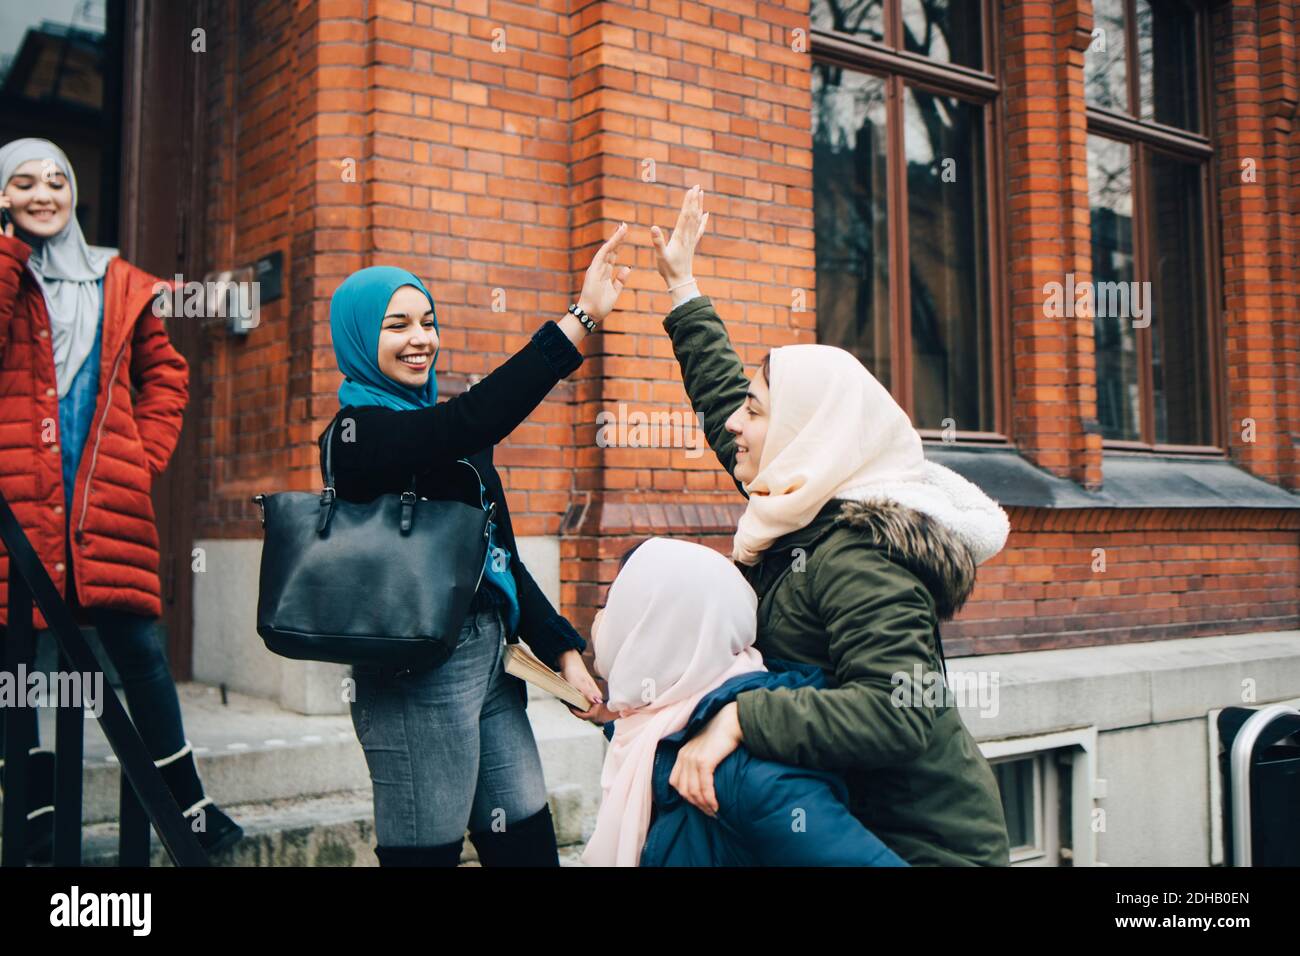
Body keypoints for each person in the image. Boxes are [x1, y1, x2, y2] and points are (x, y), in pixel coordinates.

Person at [643, 185, 1013, 866]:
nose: (735, 425)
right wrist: (682, 288)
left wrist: (741, 719)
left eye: (756, 414)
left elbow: (896, 710)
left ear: (800, 433)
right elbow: (725, 395)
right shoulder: (798, 497)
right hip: (847, 827)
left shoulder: (861, 555)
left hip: (920, 848)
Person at [322, 229, 628, 867]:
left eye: (428, 322)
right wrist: (580, 320)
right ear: (358, 337)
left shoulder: (446, 436)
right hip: (415, 679)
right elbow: (472, 418)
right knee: (423, 859)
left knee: (527, 851)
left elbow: (501, 558)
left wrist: (563, 651)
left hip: (494, 665)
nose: (421, 339)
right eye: (397, 325)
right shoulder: (357, 435)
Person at [0, 138, 242, 861]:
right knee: (16, 659)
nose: (44, 194)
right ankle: (34, 812)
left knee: (140, 651)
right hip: (18, 503)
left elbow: (165, 378)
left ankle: (188, 806)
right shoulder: (6, 276)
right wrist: (7, 254)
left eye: (57, 181)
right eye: (23, 182)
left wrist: (143, 458)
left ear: (75, 192)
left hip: (104, 500)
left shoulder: (121, 281)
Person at [582, 537, 908, 867]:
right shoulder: (651, 731)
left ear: (650, 632)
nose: (599, 620)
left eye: (614, 608)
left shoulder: (746, 773)